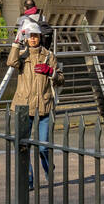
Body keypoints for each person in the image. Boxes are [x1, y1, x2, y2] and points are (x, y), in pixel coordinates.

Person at [7, 22, 64, 189]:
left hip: (44, 105)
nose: (33, 39)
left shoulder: (49, 56)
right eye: (30, 36)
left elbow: (61, 80)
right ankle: (29, 180)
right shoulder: (22, 55)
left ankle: (49, 170)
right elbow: (11, 62)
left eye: (36, 36)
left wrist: (51, 72)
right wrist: (16, 43)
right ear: (27, 38)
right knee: (23, 146)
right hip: (24, 106)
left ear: (40, 37)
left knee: (43, 147)